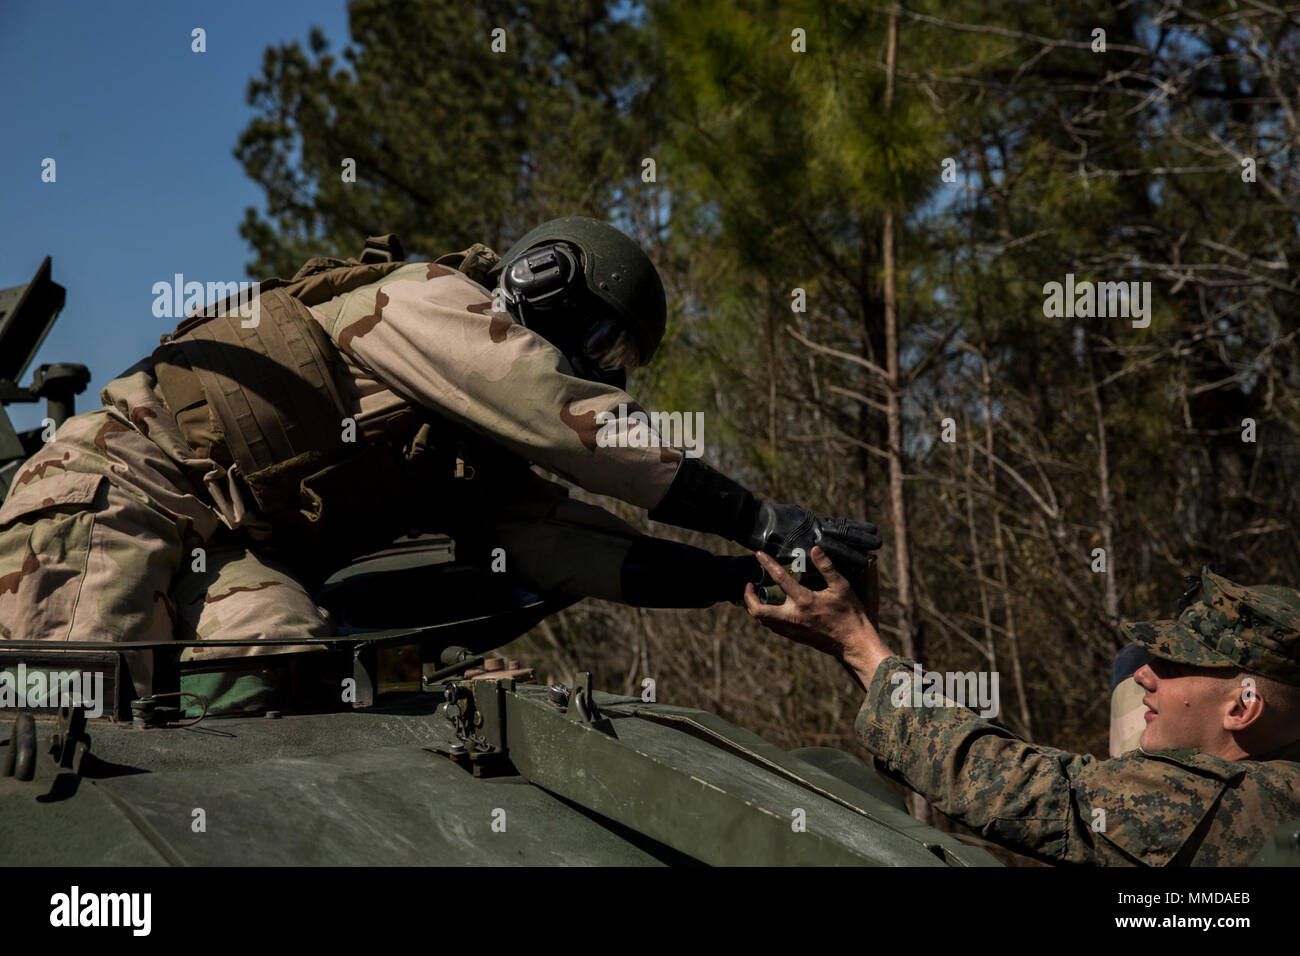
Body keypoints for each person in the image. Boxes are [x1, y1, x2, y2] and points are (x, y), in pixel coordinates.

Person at [0, 217, 880, 711]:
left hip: (224, 541)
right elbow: (562, 415)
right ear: (547, 281)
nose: (603, 368)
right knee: (69, 714)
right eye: (604, 343)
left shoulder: (472, 450)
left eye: (621, 362)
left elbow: (566, 547)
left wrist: (737, 577)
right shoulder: (432, 304)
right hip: (113, 490)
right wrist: (758, 517)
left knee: (291, 656)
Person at [744, 552, 1300, 866]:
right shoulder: (1269, 771)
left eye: (1175, 667)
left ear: (1243, 708)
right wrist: (865, 653)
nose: (1146, 676)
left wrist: (861, 647)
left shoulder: (1239, 804)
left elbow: (1020, 787)